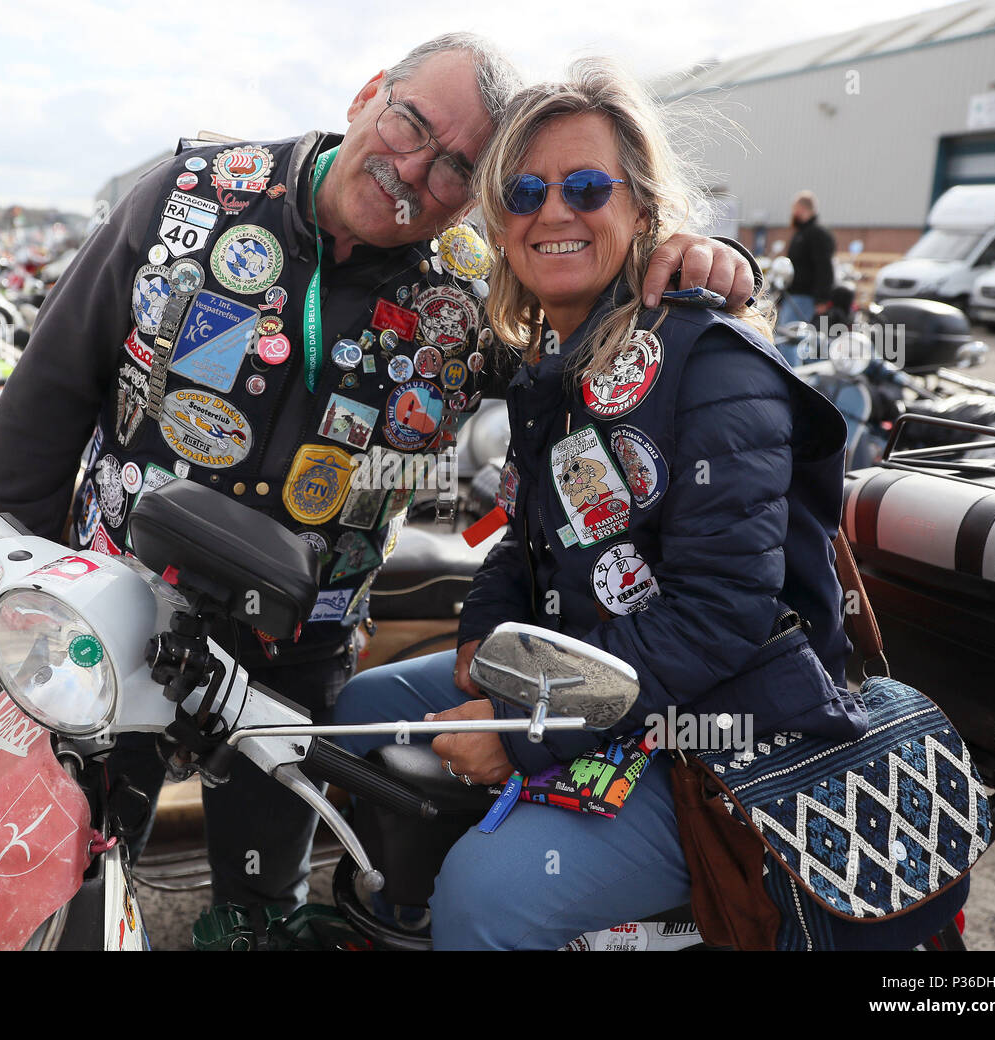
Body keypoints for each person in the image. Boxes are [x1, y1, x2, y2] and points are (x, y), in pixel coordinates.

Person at [0, 33, 756, 914]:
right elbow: (51, 387)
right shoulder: (191, 190)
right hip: (107, 618)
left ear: (476, 201)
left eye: (458, 168)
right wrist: (5, 571)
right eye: (410, 122)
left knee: (260, 904)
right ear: (370, 93)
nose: (413, 169)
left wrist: (690, 255)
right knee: (34, 868)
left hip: (296, 653)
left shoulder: (481, 285)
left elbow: (592, 298)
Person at [332, 58, 867, 949]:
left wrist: (520, 736)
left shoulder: (714, 362)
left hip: (720, 729)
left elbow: (719, 619)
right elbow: (518, 543)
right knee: (361, 713)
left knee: (487, 897)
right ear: (498, 222)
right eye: (523, 189)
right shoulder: (560, 364)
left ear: (644, 209)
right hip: (587, 668)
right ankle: (400, 918)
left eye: (586, 185)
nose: (553, 210)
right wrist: (479, 649)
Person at [783, 189, 835, 324]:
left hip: (806, 296)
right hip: (794, 295)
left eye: (795, 209)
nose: (793, 213)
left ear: (802, 209)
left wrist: (822, 299)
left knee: (793, 337)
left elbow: (824, 267)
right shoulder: (801, 233)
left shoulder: (817, 234)